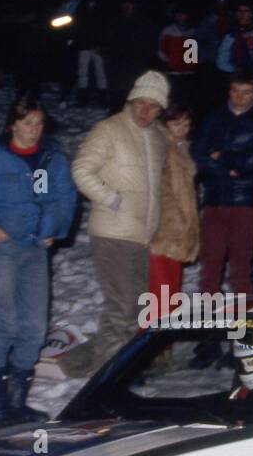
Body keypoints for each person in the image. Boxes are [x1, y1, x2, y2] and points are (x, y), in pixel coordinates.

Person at [0, 96, 77, 424]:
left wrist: (56, 229)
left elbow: (65, 197)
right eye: (26, 123)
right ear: (12, 125)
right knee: (3, 323)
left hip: (37, 250)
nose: (33, 130)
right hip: (5, 248)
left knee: (34, 327)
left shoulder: (53, 159)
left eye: (38, 123)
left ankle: (16, 403)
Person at [57, 72, 169, 378]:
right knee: (120, 308)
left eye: (153, 106)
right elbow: (81, 170)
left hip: (142, 236)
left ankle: (101, 367)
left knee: (135, 309)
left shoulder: (158, 137)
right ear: (130, 100)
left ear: (161, 109)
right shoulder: (109, 130)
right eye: (140, 103)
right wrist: (111, 199)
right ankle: (106, 379)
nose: (145, 111)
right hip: (112, 232)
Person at [192, 69, 253, 297]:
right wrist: (227, 168)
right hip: (214, 197)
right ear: (229, 91)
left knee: (241, 262)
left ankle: (245, 315)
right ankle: (208, 313)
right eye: (236, 91)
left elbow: (252, 162)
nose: (239, 97)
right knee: (211, 262)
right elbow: (198, 154)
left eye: (246, 92)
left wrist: (220, 157)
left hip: (244, 200)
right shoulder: (213, 118)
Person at [148, 103, 199, 320]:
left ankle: (165, 342)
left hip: (178, 231)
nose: (182, 128)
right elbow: (161, 189)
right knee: (159, 293)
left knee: (171, 292)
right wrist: (174, 219)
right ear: (164, 123)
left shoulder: (181, 146)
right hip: (162, 230)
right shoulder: (160, 147)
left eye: (186, 124)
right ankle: (149, 343)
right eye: (176, 123)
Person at [103, 0, 159, 115]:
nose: (127, 6)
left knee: (133, 103)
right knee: (116, 104)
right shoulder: (115, 22)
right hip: (117, 71)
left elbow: (150, 47)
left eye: (130, 4)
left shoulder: (144, 23)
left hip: (135, 70)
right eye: (124, 4)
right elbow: (108, 44)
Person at [73, 0, 107, 107]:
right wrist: (78, 41)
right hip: (84, 44)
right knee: (82, 72)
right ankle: (82, 99)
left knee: (100, 72)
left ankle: (102, 100)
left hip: (98, 45)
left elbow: (105, 27)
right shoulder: (82, 5)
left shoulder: (103, 6)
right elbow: (77, 24)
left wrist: (102, 44)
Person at [156, 5, 196, 108]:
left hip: (188, 74)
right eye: (179, 15)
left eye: (183, 15)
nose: (181, 17)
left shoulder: (192, 31)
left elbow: (194, 53)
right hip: (172, 73)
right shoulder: (168, 31)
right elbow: (160, 50)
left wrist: (193, 65)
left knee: (187, 101)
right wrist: (168, 62)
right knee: (172, 101)